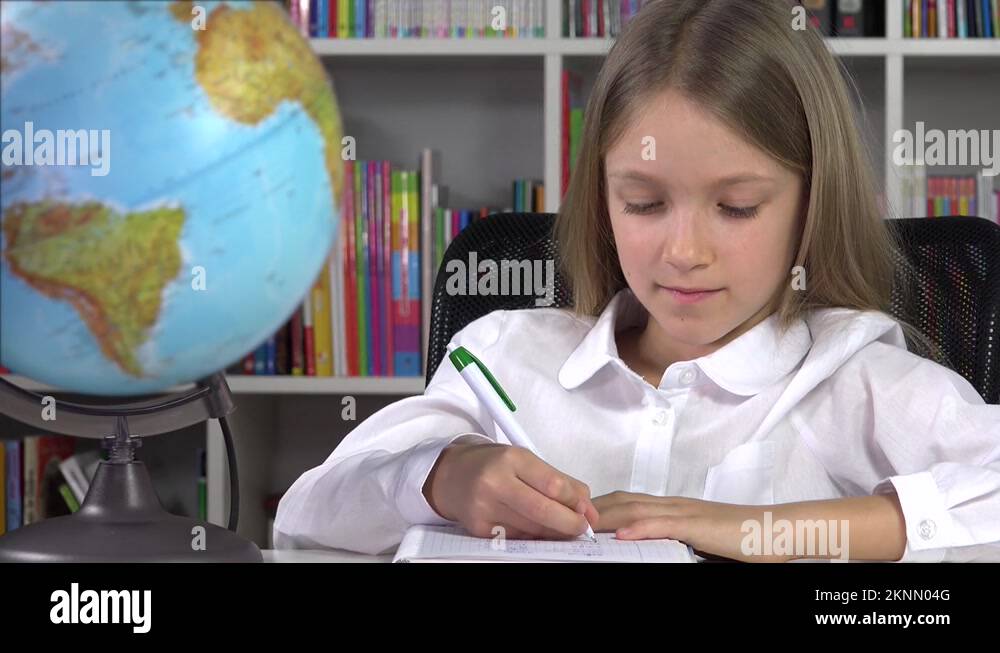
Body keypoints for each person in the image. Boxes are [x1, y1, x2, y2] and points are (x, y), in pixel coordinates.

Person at [274, 0, 1000, 561]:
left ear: (812, 204)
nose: (683, 251)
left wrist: (756, 531)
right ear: (601, 198)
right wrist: (439, 475)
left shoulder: (852, 377)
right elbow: (305, 515)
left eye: (737, 206)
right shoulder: (501, 356)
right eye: (645, 202)